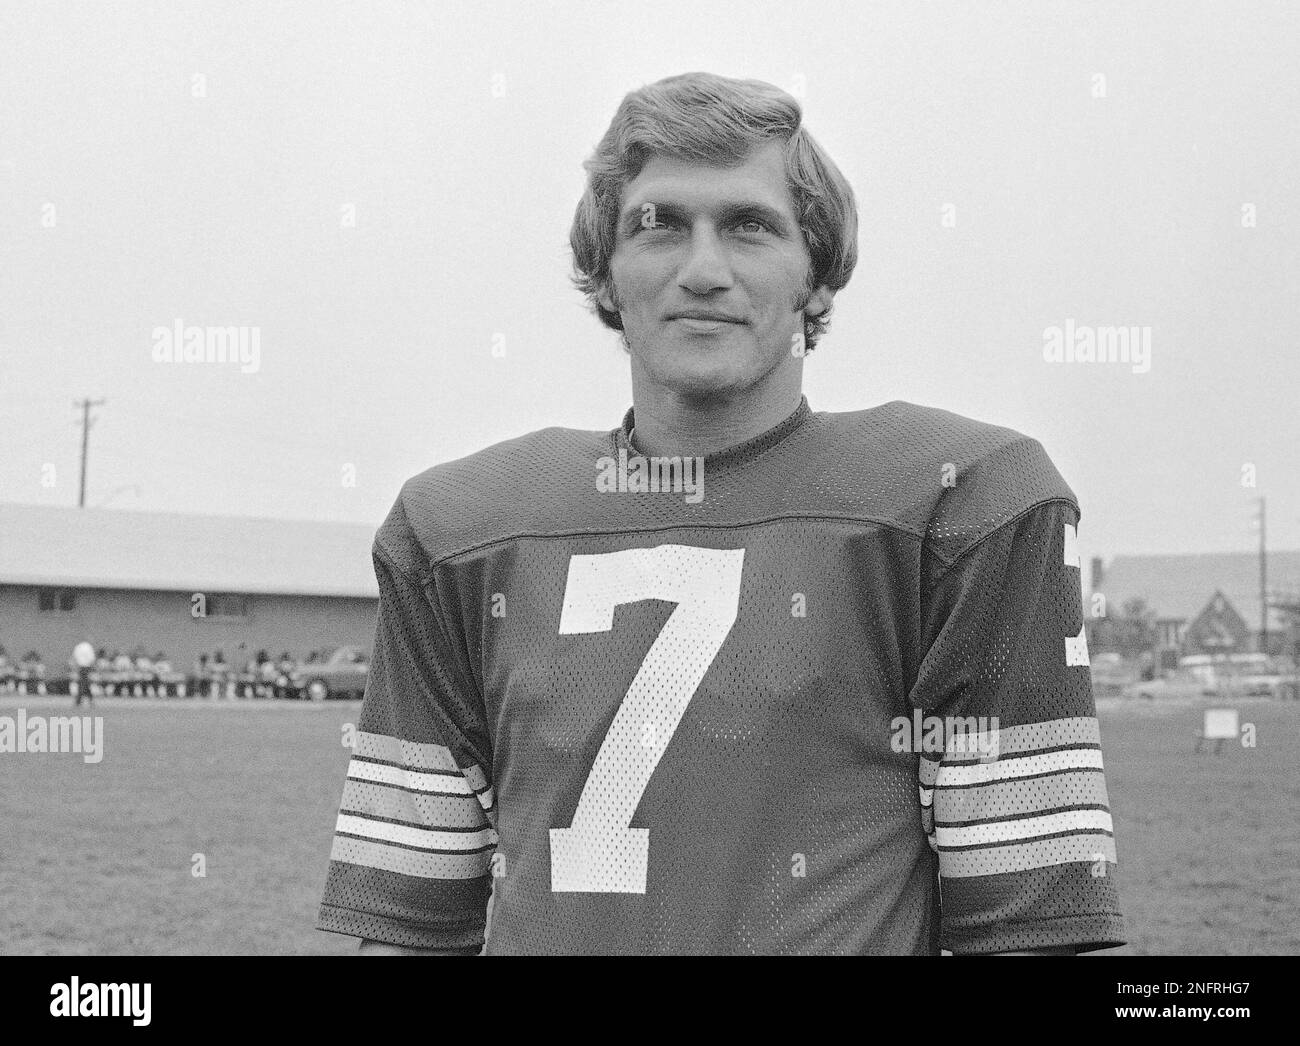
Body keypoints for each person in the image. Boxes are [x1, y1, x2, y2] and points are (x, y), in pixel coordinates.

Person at [317, 72, 1123, 956]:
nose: (703, 270)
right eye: (657, 225)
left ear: (816, 275)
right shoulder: (458, 532)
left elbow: (1032, 933)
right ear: (608, 274)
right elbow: (409, 929)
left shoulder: (965, 502)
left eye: (750, 225)